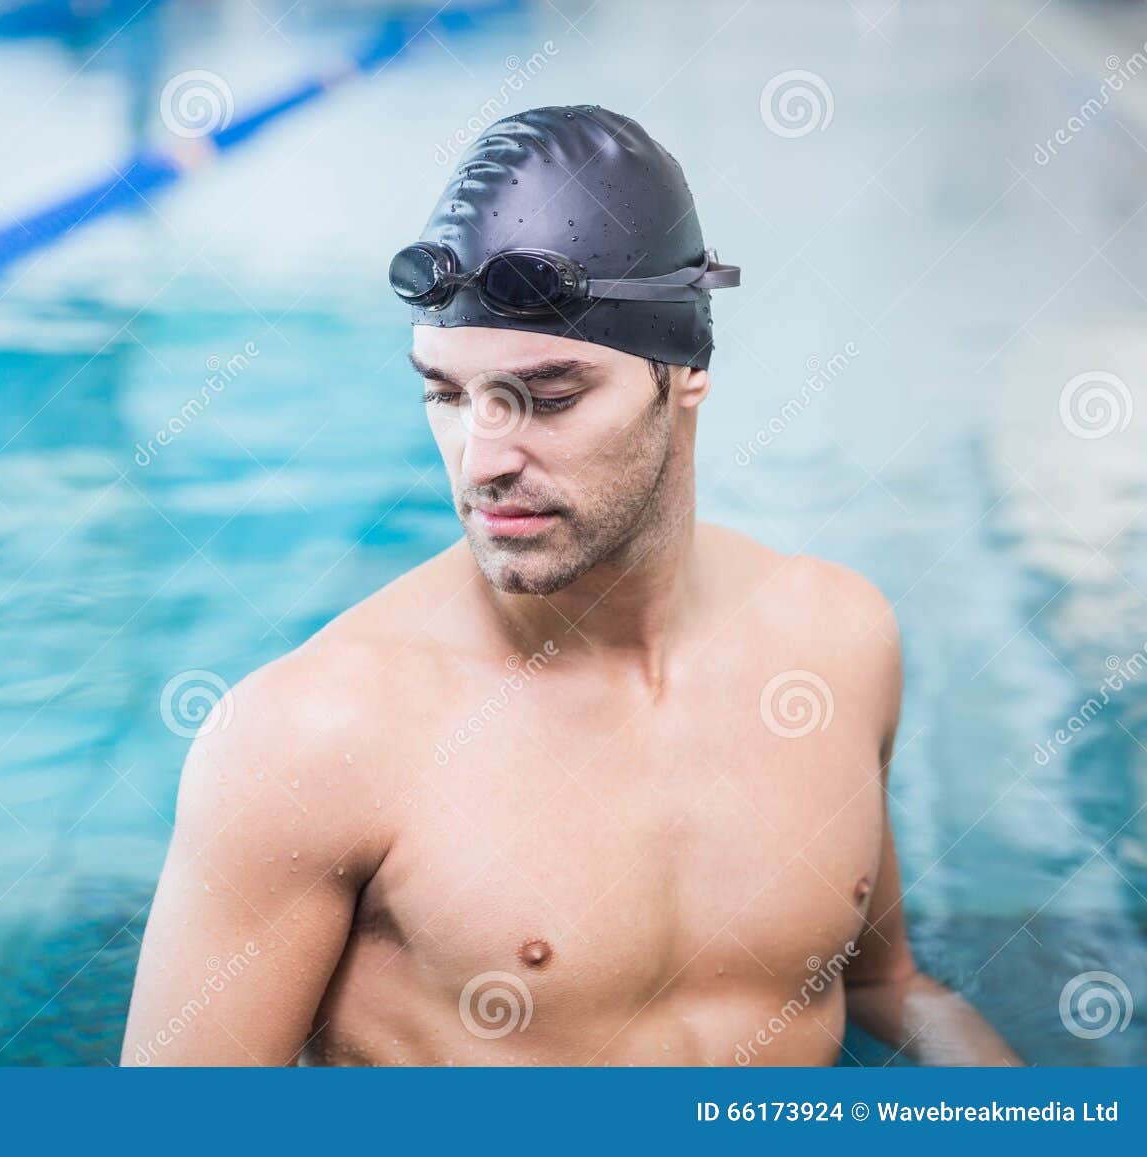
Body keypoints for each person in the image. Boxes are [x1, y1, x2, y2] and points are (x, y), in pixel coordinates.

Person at [123, 106, 1020, 1066]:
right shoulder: (310, 737)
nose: (482, 460)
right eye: (446, 394)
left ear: (685, 371)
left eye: (548, 398)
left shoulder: (837, 639)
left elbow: (884, 985)